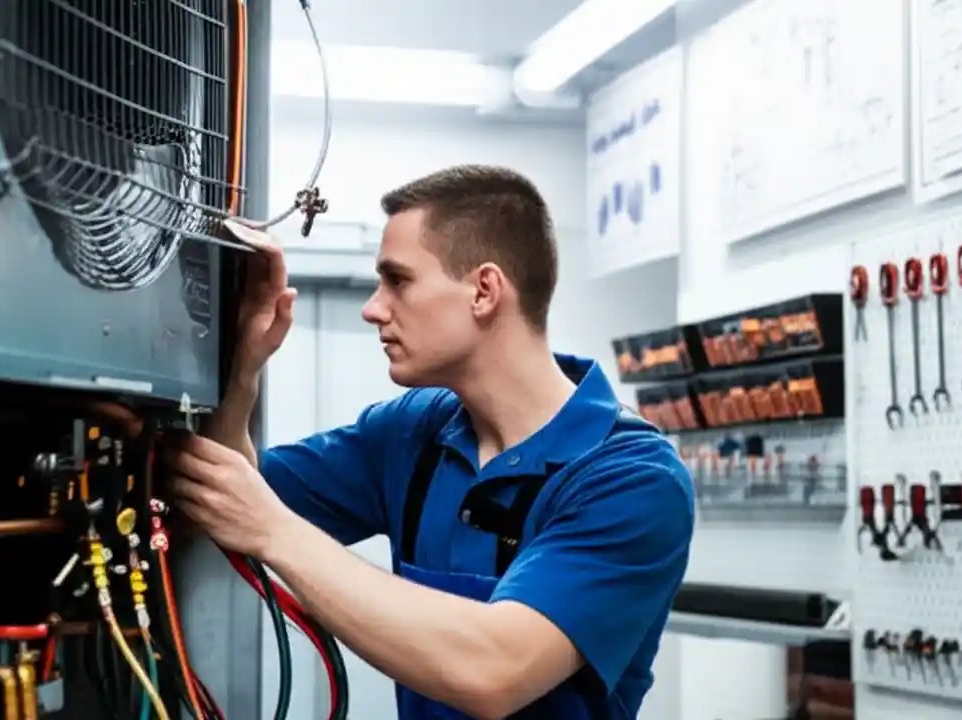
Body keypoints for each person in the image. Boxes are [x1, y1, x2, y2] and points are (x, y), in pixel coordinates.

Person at [166, 164, 695, 720]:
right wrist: (242, 367)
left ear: (484, 291)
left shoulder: (633, 481)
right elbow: (228, 496)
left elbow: (493, 669)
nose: (374, 308)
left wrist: (274, 532)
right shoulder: (413, 432)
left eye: (398, 280)